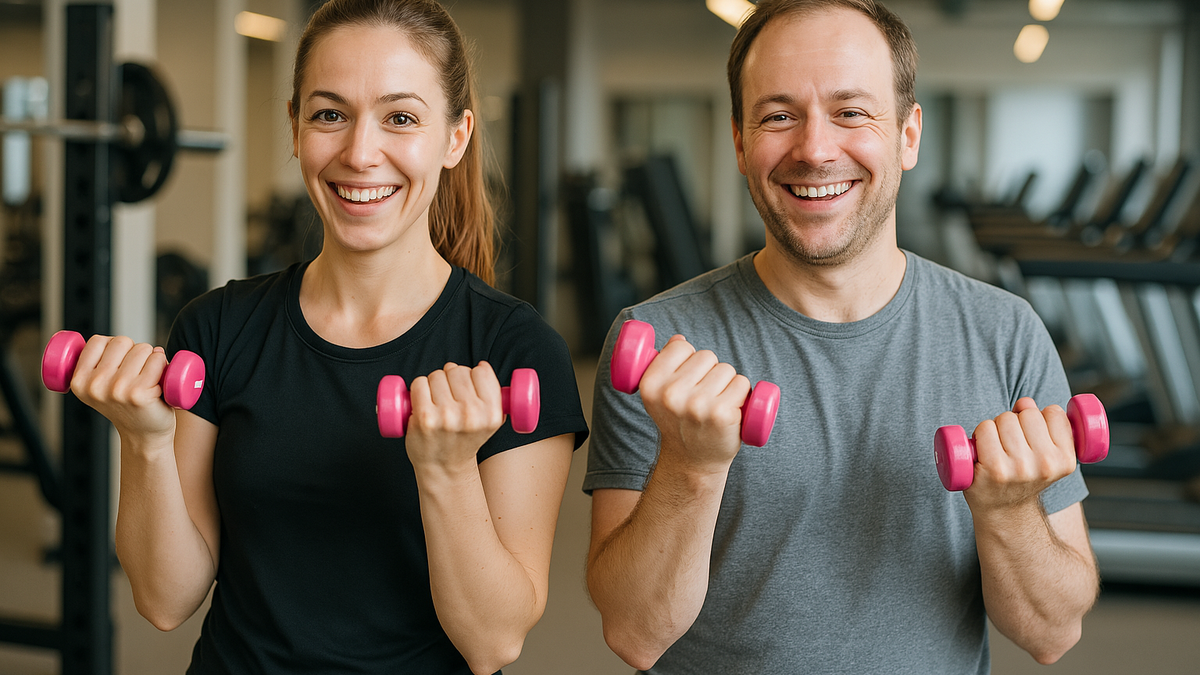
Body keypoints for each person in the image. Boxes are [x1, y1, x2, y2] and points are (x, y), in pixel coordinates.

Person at [66, 1, 588, 673]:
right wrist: (145, 441)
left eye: (401, 118)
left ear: (455, 138)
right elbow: (165, 599)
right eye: (330, 115)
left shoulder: (517, 352)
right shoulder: (218, 326)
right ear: (295, 125)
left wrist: (447, 469)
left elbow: (493, 642)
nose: (360, 154)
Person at [584, 1, 1098, 673]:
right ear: (739, 142)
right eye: (778, 116)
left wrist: (1010, 511)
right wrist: (690, 467)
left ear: (908, 135)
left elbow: (1052, 631)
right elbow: (633, 632)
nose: (816, 149)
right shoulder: (657, 345)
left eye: (851, 112)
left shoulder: (1005, 333)